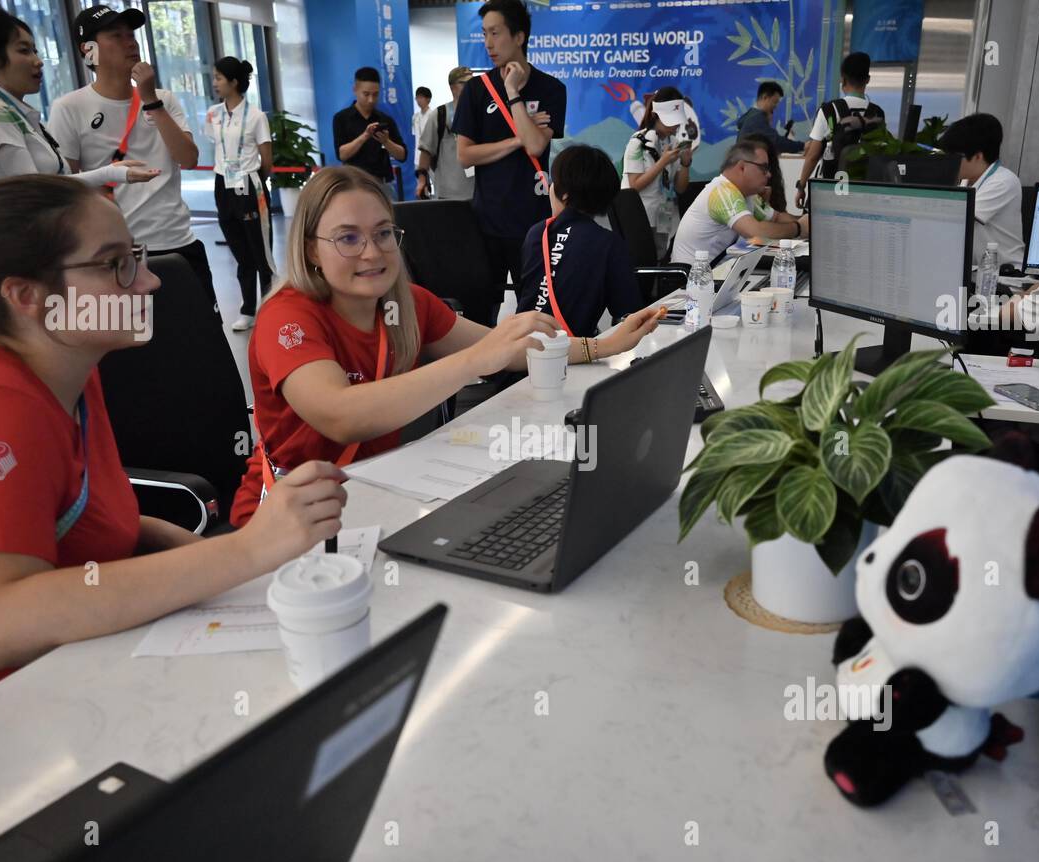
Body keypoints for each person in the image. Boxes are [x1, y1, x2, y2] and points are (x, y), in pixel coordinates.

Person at [0, 176, 347, 705]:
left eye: (136, 256)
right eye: (116, 264)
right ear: (27, 296)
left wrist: (241, 571)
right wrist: (247, 551)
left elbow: (108, 524)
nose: (150, 282)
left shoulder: (72, 371)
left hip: (70, 667)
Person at [228, 165, 663, 526]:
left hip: (377, 492)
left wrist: (601, 346)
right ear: (311, 251)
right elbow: (342, 416)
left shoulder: (408, 303)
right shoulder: (286, 317)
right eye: (348, 238)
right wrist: (475, 359)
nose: (372, 252)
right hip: (290, 514)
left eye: (382, 234)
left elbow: (513, 348)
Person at [48, 5, 219, 315]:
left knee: (202, 344)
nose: (131, 43)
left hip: (179, 241)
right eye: (117, 35)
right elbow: (67, 188)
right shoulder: (69, 108)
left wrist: (150, 99)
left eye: (132, 35)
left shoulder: (163, 99)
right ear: (89, 51)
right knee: (138, 353)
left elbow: (189, 158)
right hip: (119, 254)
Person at [453, 0, 566, 317]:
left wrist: (513, 92)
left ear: (519, 36)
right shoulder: (476, 90)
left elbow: (534, 148)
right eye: (485, 34)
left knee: (536, 312)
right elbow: (464, 155)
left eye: (496, 32)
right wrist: (517, 138)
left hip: (532, 223)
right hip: (486, 222)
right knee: (481, 312)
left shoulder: (552, 89)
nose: (488, 42)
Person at [0, 8, 159, 185]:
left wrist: (112, 173)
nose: (38, 61)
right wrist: (108, 174)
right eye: (24, 51)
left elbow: (54, 182)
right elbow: (33, 189)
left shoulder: (18, 113)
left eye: (35, 51)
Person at [519, 144, 642, 337]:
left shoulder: (536, 233)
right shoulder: (608, 244)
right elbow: (628, 312)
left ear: (565, 194)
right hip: (570, 354)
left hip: (520, 348)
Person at [206, 56, 274, 332]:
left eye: (219, 78)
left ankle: (271, 306)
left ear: (234, 82)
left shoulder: (256, 116)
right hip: (223, 185)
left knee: (261, 253)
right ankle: (248, 309)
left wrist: (254, 181)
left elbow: (266, 159)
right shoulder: (213, 114)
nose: (215, 83)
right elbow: (217, 145)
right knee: (241, 253)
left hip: (249, 185)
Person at [672, 136, 807, 265]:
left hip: (717, 273)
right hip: (692, 280)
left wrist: (809, 221)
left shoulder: (746, 194)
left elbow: (776, 218)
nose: (769, 174)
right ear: (742, 167)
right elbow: (755, 231)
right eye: (764, 168)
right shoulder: (722, 192)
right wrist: (798, 228)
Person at [936, 112, 1025, 266]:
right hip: (976, 272)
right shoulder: (965, 182)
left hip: (1007, 274)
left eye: (954, 156)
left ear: (978, 156)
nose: (949, 162)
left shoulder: (1003, 181)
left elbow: (955, 218)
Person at [796, 51, 878, 209]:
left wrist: (801, 186)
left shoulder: (829, 110)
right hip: (862, 193)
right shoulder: (877, 114)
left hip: (830, 189)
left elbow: (813, 155)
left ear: (842, 79)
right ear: (867, 80)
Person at [620, 87, 693, 260]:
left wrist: (686, 163)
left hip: (663, 213)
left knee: (660, 258)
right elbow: (635, 185)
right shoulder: (637, 142)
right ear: (655, 115)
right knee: (640, 260)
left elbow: (680, 188)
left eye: (676, 121)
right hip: (639, 214)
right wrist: (662, 162)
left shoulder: (673, 141)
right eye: (670, 121)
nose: (674, 126)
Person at [332, 66, 407, 198]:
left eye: (375, 94)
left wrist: (386, 141)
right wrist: (365, 136)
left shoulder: (385, 120)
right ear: (355, 90)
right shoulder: (341, 118)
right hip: (353, 186)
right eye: (366, 94)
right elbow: (342, 154)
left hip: (382, 184)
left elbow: (402, 155)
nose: (371, 99)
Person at [416, 66, 474, 202]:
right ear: (452, 87)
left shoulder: (482, 113)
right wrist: (422, 180)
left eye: (472, 83)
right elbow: (426, 151)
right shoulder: (440, 115)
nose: (469, 87)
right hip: (448, 194)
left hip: (479, 192)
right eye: (464, 83)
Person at [737, 81, 804, 154]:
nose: (776, 106)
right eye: (775, 102)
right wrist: (803, 146)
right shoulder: (757, 119)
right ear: (765, 97)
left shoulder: (750, 116)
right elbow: (776, 142)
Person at [411, 84, 432, 150]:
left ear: (428, 99)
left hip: (430, 152)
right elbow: (415, 135)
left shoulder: (433, 115)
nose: (418, 100)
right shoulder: (415, 117)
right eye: (417, 98)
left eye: (421, 97)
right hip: (417, 153)